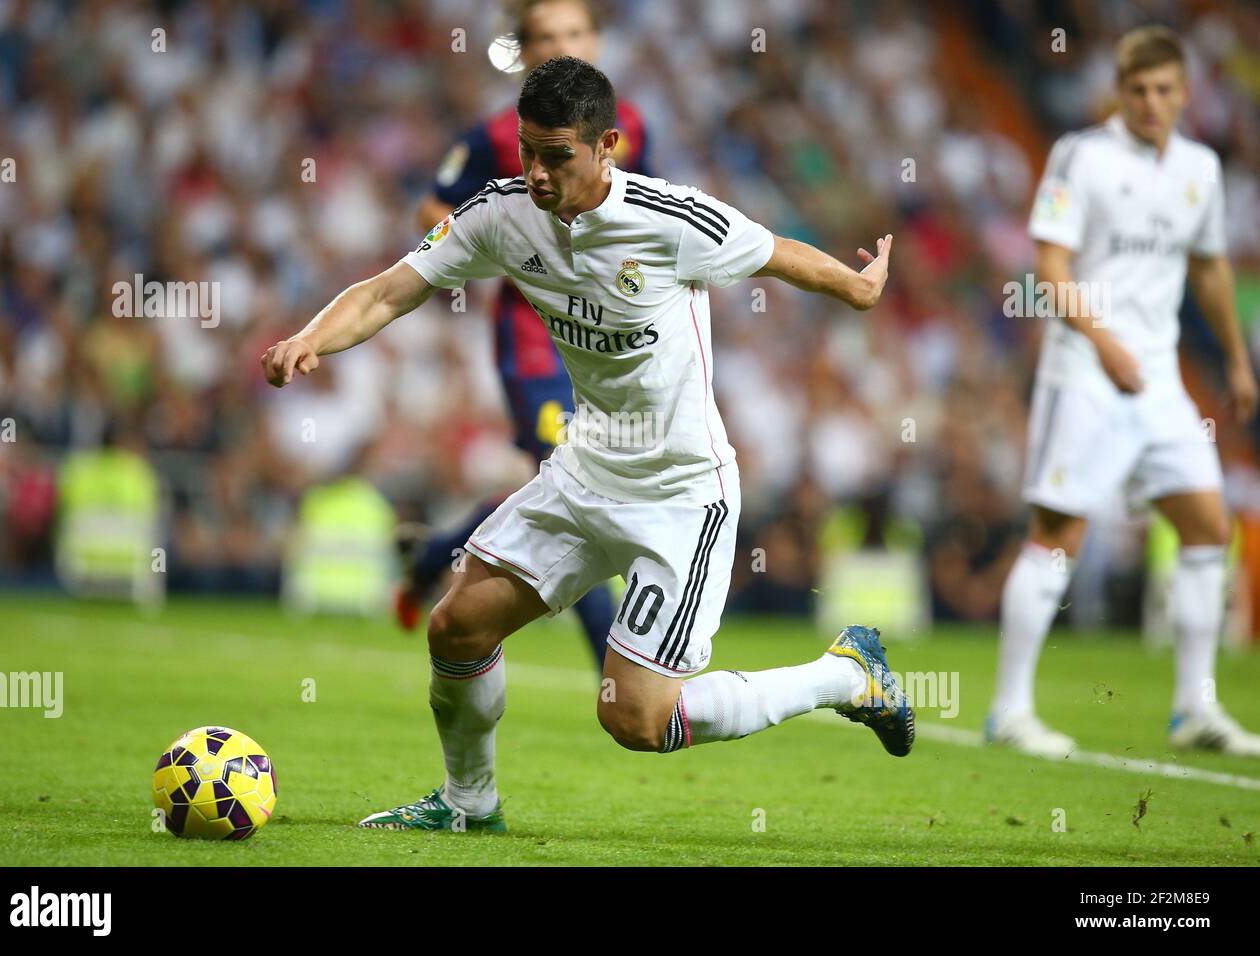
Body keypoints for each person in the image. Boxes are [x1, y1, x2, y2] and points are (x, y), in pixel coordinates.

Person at [263, 57, 910, 833]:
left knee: (638, 720)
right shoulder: (502, 213)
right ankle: (468, 805)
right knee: (456, 626)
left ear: (607, 146)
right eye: (526, 150)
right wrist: (310, 338)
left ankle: (843, 677)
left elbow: (780, 254)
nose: (535, 172)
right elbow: (387, 290)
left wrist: (859, 286)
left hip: (681, 493)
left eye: (556, 155)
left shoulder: (674, 221)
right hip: (582, 472)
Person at [988, 26, 1260, 758]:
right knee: (1057, 534)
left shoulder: (1201, 167)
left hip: (1160, 380)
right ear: (1120, 89)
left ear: (1184, 93)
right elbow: (1050, 270)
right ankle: (1009, 711)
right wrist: (1104, 342)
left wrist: (1236, 360)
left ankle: (1195, 710)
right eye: (1137, 90)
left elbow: (1206, 269)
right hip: (1085, 370)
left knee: (1208, 527)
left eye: (1164, 90)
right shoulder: (1083, 156)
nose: (1150, 103)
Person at [396, 0, 653, 670]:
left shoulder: (633, 128)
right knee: (582, 487)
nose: (562, 46)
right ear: (524, 51)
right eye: (545, 37)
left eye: (574, 33)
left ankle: (435, 552)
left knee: (565, 480)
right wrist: (496, 248)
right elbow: (432, 207)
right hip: (535, 340)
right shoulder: (490, 136)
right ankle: (617, 671)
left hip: (609, 342)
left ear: (597, 40)